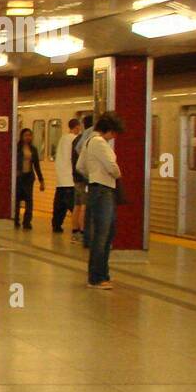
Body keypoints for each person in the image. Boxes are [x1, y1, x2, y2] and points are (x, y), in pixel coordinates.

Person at [77, 112, 124, 290]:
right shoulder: (99, 143)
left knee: (101, 234)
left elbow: (80, 166)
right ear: (109, 130)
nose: (114, 137)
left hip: (95, 188)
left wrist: (93, 175)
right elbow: (113, 167)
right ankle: (97, 277)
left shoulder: (89, 141)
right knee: (103, 235)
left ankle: (100, 275)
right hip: (104, 190)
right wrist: (116, 173)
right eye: (114, 133)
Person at [51, 117, 82, 233]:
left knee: (59, 205)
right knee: (73, 206)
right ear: (77, 127)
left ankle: (56, 225)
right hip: (71, 179)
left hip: (61, 178)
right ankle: (77, 227)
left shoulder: (62, 139)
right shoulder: (75, 140)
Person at [14, 128, 44, 230]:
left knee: (29, 200)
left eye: (30, 135)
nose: (28, 137)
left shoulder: (33, 149)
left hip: (28, 177)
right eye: (26, 135)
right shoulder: (16, 149)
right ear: (22, 136)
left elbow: (36, 165)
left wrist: (41, 180)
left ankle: (27, 222)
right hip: (18, 178)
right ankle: (16, 219)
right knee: (16, 200)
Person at [71, 113, 94, 241]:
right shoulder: (87, 140)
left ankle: (75, 230)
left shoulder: (76, 139)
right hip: (84, 177)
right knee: (85, 205)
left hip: (76, 177)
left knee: (77, 205)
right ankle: (84, 231)